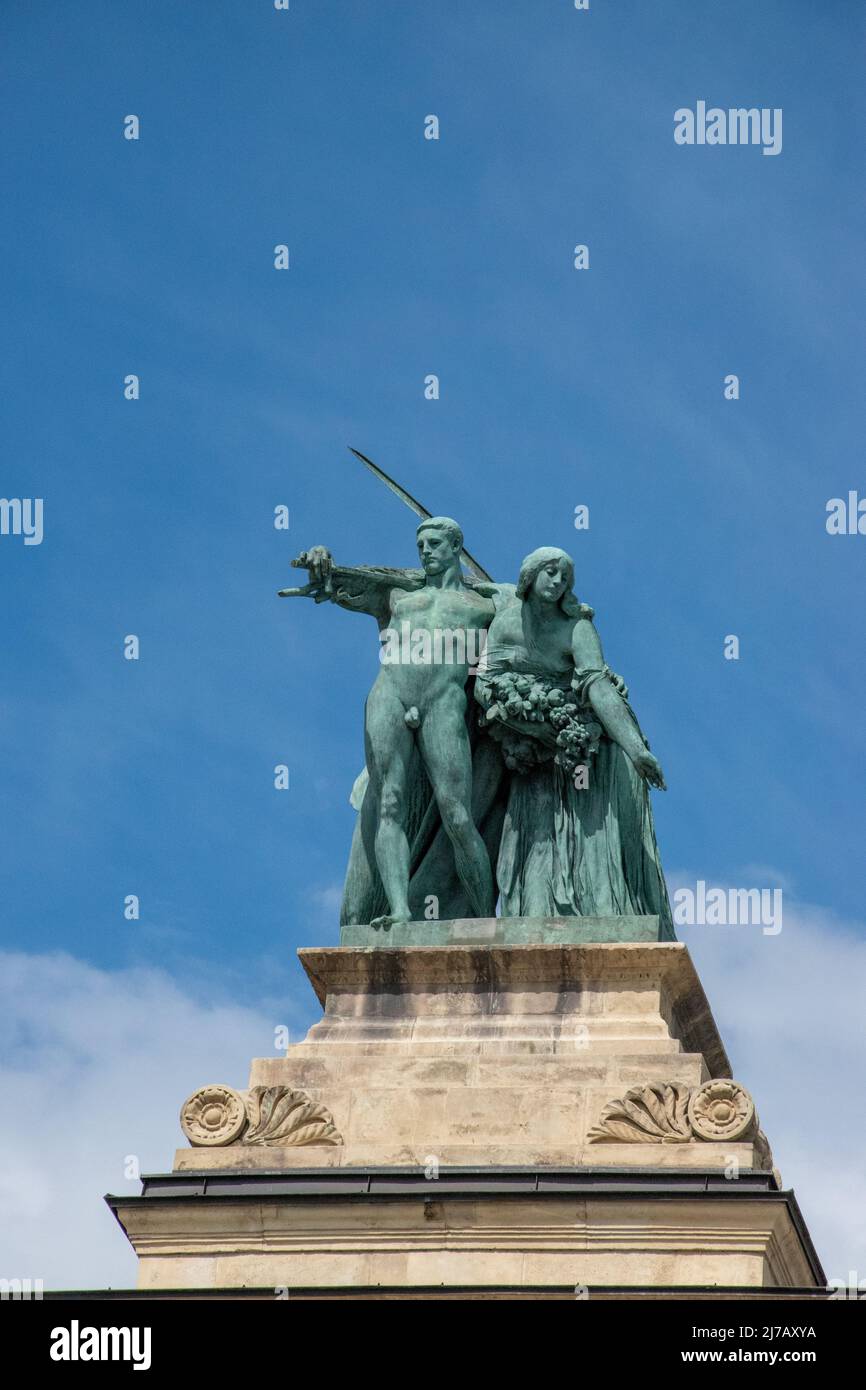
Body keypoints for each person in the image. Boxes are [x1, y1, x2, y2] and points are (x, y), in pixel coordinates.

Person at [474, 546, 674, 934]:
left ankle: (601, 910)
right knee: (535, 842)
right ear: (529, 577)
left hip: (581, 746)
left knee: (590, 844)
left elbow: (596, 686)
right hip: (530, 751)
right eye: (550, 572)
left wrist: (637, 749)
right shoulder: (507, 623)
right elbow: (485, 684)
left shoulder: (577, 628)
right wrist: (526, 724)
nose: (557, 581)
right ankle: (533, 916)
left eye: (564, 577)